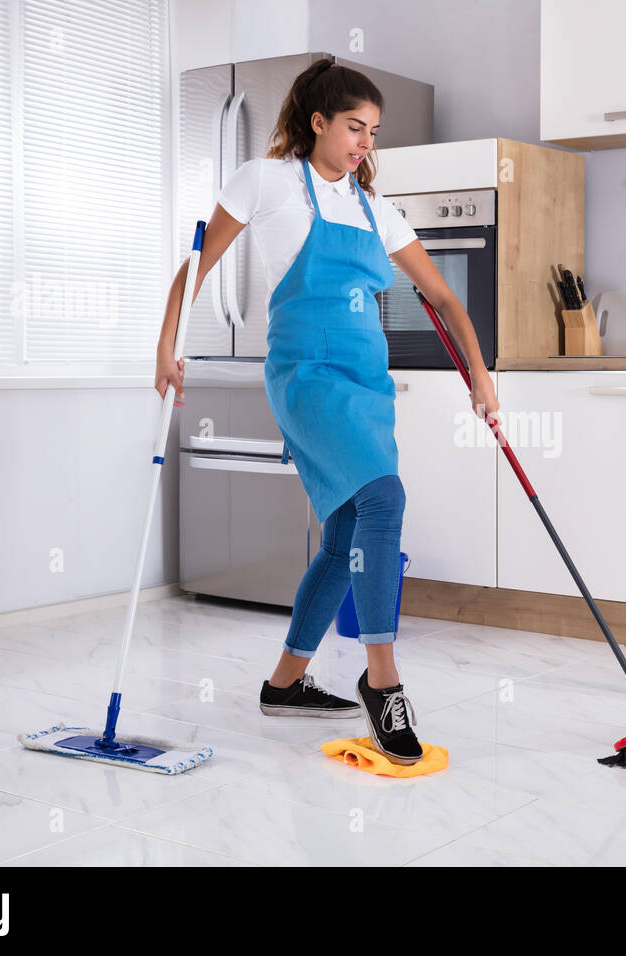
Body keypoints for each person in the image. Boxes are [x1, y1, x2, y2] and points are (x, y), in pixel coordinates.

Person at [155, 59, 500, 765]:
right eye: (353, 127)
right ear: (318, 122)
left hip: (366, 383)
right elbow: (198, 266)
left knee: (348, 524)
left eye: (373, 131)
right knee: (383, 499)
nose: (364, 142)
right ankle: (384, 683)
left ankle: (285, 684)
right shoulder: (266, 180)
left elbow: (444, 299)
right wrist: (166, 347)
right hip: (307, 375)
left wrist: (480, 373)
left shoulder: (379, 210)